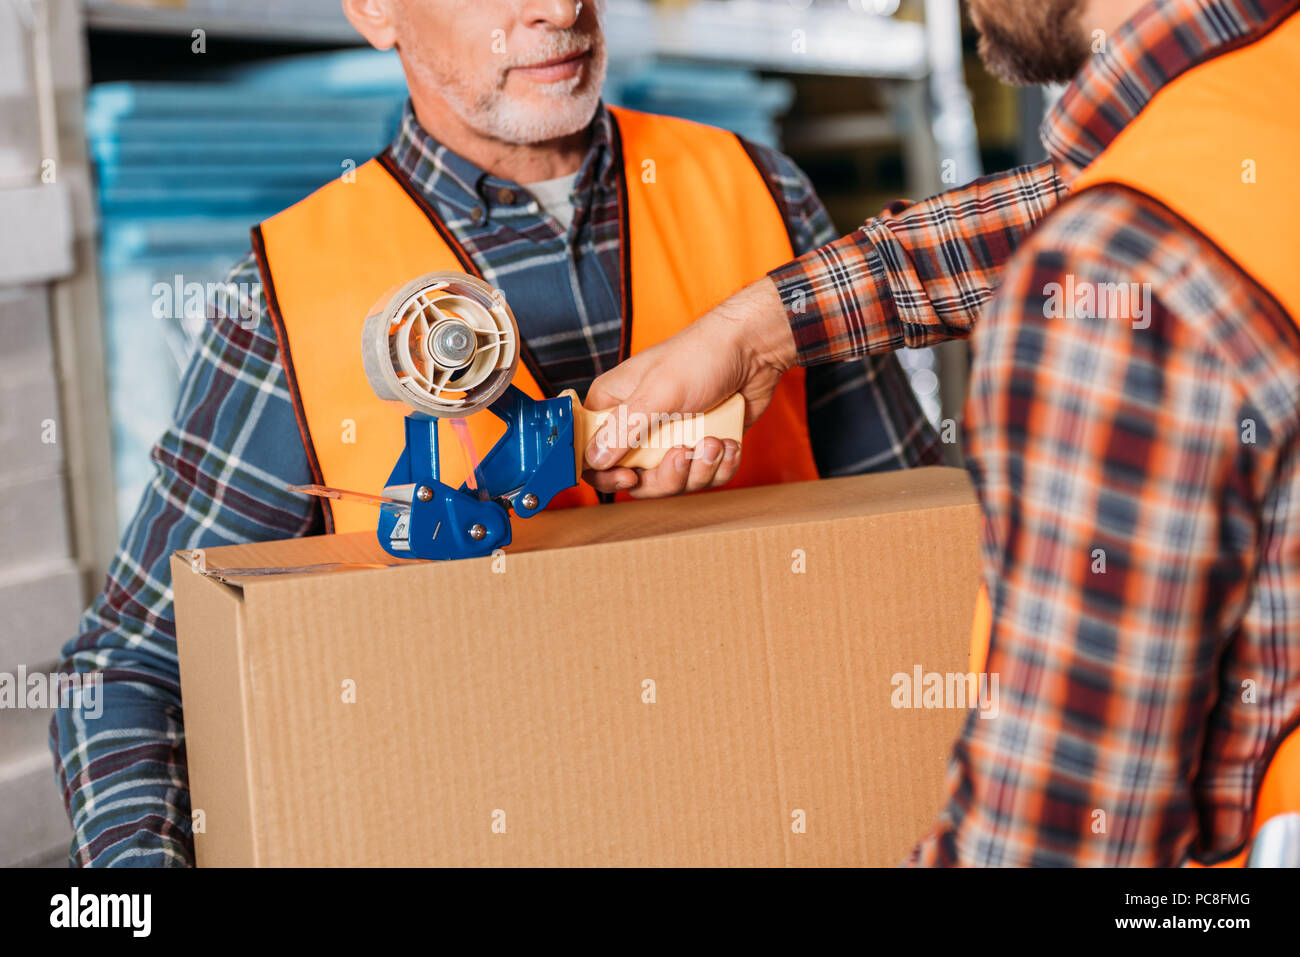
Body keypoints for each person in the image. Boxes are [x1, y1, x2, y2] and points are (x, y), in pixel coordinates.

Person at [50, 0, 1065, 865]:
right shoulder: (286, 298)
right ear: (372, 10)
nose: (559, 7)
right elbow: (126, 672)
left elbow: (920, 553)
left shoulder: (761, 195)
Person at [585, 0, 1300, 866]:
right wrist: (757, 330)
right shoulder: (1254, 111)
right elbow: (1149, 192)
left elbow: (1053, 842)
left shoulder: (1115, 283)